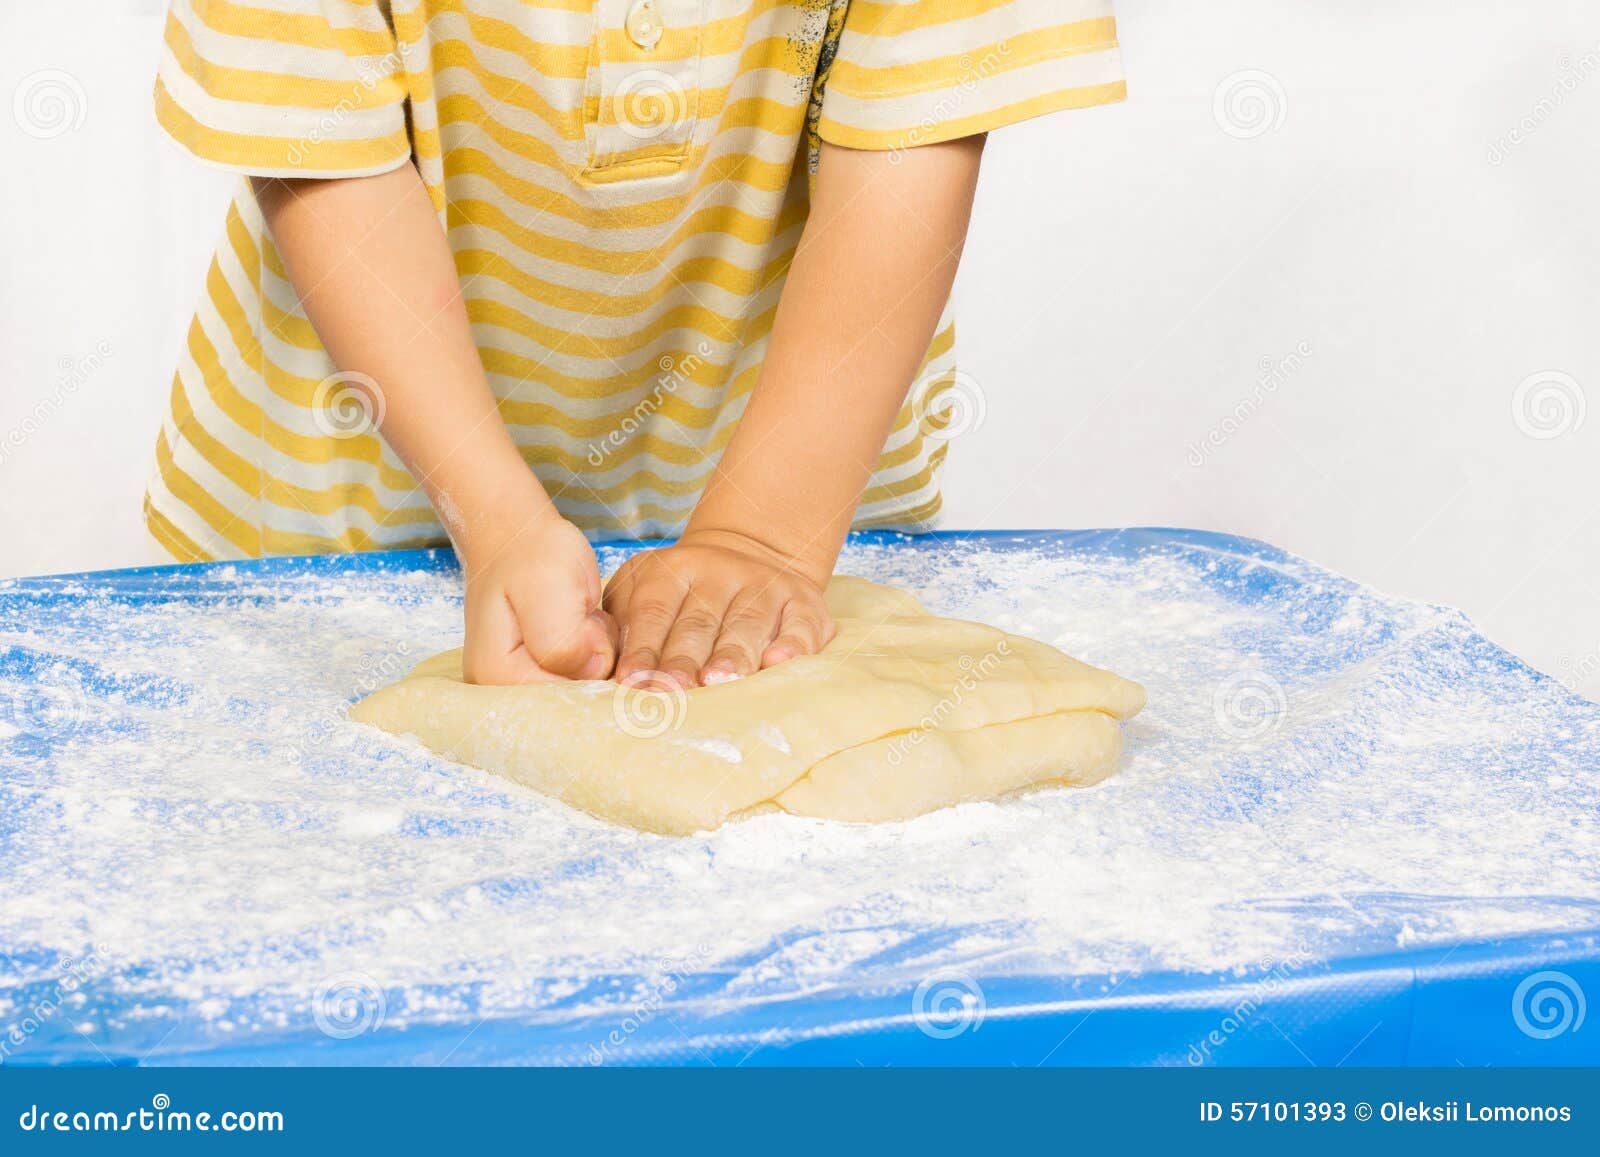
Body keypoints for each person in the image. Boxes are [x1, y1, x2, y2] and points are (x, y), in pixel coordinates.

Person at [148, 0, 1126, 687]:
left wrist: (764, 537)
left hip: (811, 527)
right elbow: (317, 142)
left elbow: (921, 119)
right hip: (344, 530)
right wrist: (493, 521)